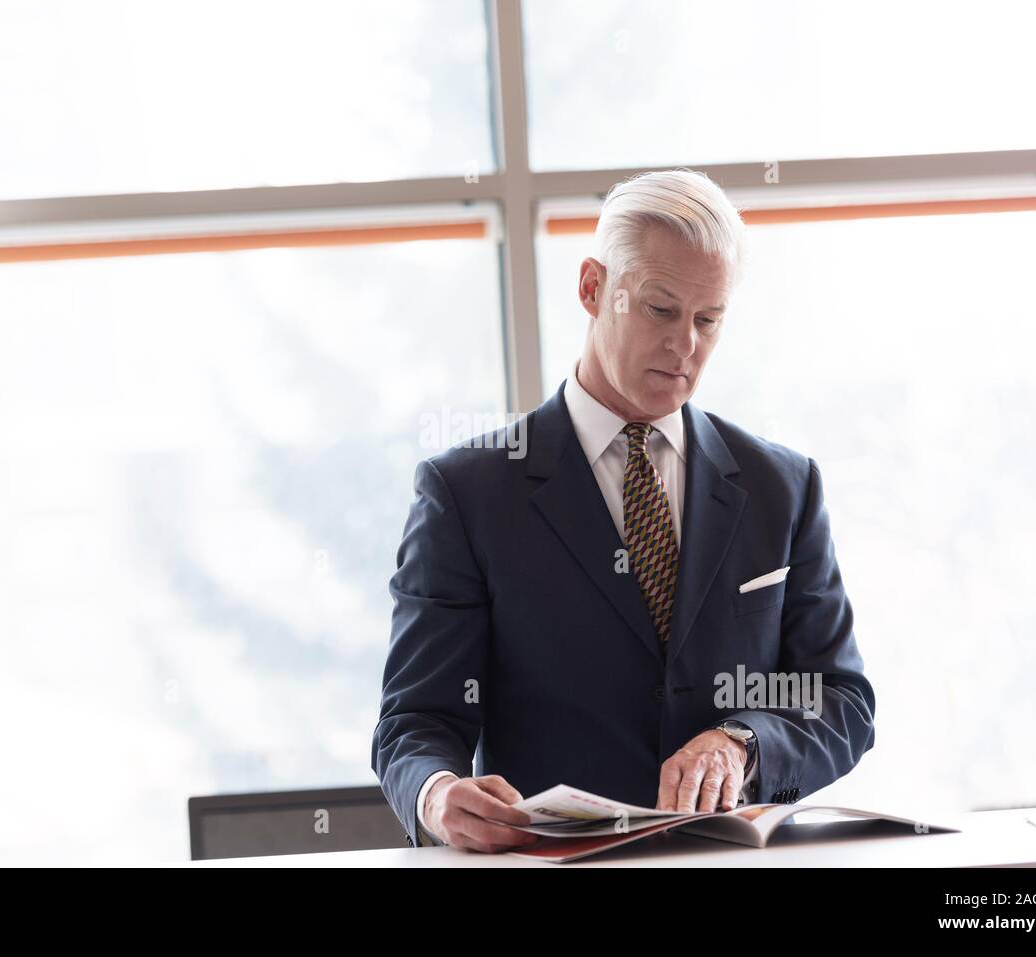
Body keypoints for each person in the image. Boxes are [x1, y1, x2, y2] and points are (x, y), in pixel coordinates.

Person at [372, 168, 875, 851]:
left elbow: (840, 699)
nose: (685, 346)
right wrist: (437, 797)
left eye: (708, 319)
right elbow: (415, 722)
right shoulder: (467, 493)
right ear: (592, 288)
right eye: (660, 310)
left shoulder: (781, 486)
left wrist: (743, 743)